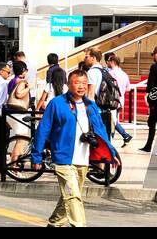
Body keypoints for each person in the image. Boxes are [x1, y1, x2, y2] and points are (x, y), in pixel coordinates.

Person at [31, 69, 118, 227]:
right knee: (73, 198)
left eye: (84, 83)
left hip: (82, 159)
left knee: (70, 197)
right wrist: (36, 155)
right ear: (68, 85)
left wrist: (111, 152)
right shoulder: (56, 104)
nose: (81, 86)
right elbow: (43, 130)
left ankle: (53, 224)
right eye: (77, 83)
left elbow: (100, 130)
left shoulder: (90, 105)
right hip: (63, 159)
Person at [102, 52, 133, 145]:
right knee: (113, 120)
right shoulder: (124, 74)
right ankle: (120, 136)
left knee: (111, 120)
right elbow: (128, 88)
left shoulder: (110, 73)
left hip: (111, 100)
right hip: (120, 100)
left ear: (112, 62)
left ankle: (122, 135)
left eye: (108, 61)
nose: (107, 63)